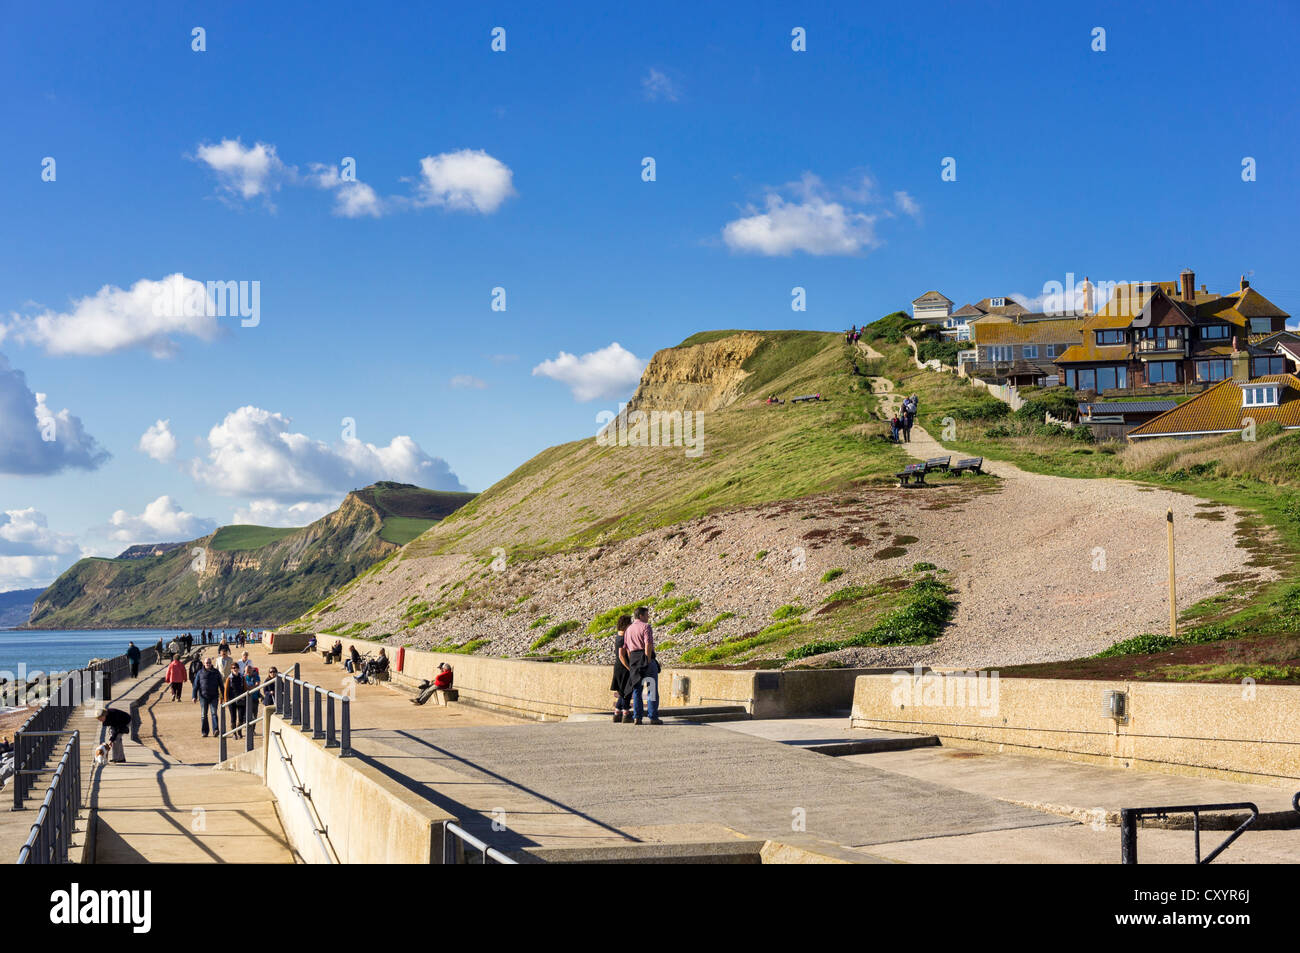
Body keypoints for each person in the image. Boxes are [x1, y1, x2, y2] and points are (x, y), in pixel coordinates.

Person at [621, 606, 661, 725]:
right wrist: (648, 659)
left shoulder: (628, 630)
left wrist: (632, 662)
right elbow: (648, 644)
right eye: (647, 615)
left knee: (637, 690)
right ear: (641, 616)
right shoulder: (646, 627)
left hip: (634, 660)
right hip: (645, 659)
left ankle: (637, 717)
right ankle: (653, 717)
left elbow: (627, 648)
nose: (648, 617)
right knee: (651, 689)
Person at [609, 615, 635, 722]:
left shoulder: (618, 636)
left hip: (618, 667)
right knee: (626, 691)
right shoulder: (623, 638)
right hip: (623, 667)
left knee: (621, 691)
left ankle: (617, 712)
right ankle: (625, 712)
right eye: (630, 623)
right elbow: (621, 655)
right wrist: (629, 667)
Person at [195, 658, 222, 737]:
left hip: (214, 696)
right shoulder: (200, 673)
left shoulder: (216, 672)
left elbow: (221, 685)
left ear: (211, 663)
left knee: (214, 713)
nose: (208, 664)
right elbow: (196, 685)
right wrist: (194, 696)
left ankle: (215, 730)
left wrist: (223, 696)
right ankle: (205, 732)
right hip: (203, 696)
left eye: (209, 663)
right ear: (204, 663)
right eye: (206, 663)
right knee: (204, 715)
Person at [225, 664, 247, 739]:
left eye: (236, 668)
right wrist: (226, 701)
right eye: (233, 668)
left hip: (241, 699)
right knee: (233, 718)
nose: (235, 669)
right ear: (231, 669)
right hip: (232, 700)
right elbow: (226, 690)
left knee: (241, 718)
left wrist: (245, 696)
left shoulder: (242, 677)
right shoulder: (229, 678)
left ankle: (239, 731)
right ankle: (234, 733)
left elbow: (245, 688)